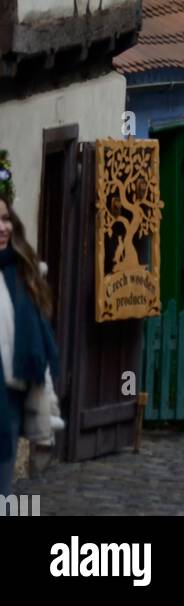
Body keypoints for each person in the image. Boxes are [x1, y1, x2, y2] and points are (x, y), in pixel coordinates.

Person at [0, 152, 62, 497]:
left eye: (6, 218)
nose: (2, 227)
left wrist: (45, 411)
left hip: (7, 406)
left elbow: (38, 353)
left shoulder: (21, 275)